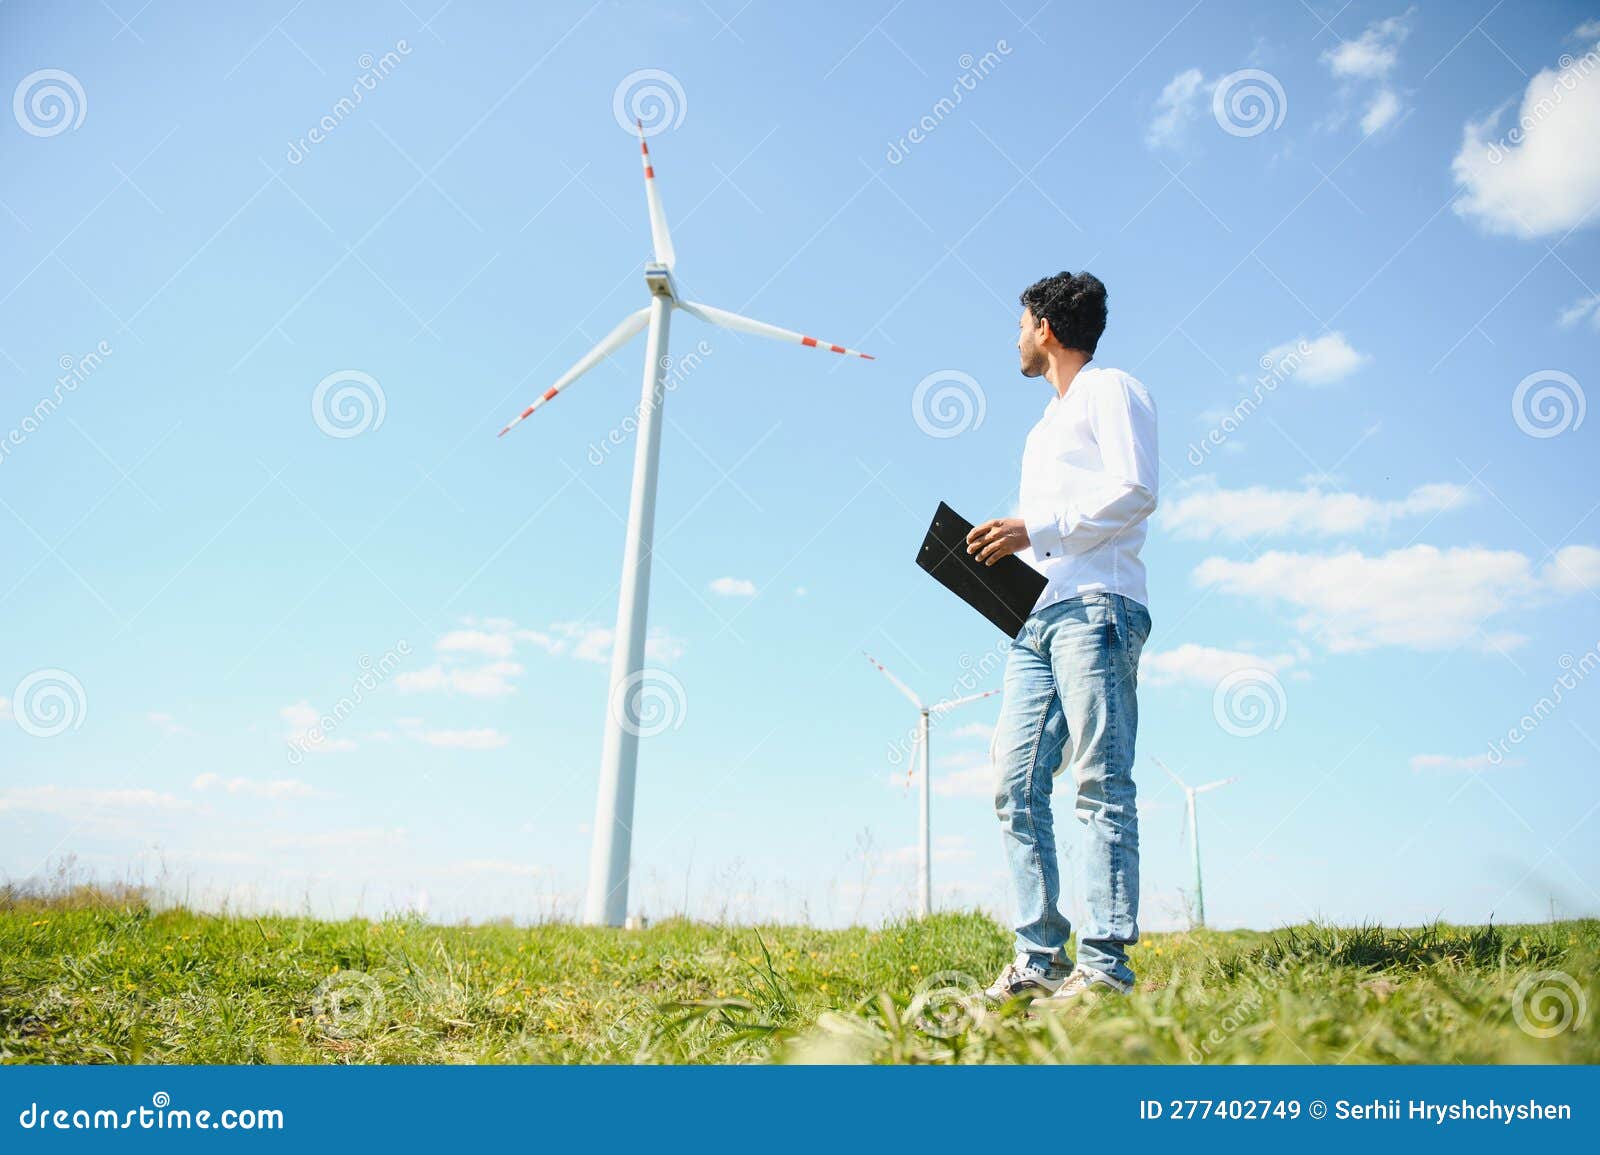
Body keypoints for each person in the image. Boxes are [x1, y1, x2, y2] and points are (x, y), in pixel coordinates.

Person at [965, 270, 1158, 1003]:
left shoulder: (1112, 390)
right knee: (1014, 784)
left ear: (1045, 327)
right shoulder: (1042, 428)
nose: (1015, 338)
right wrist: (1004, 549)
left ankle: (1104, 969)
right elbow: (1048, 532)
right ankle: (1040, 958)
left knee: (1100, 781)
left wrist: (1034, 527)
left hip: (1098, 608)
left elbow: (1137, 489)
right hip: (1036, 616)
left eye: (1019, 324)